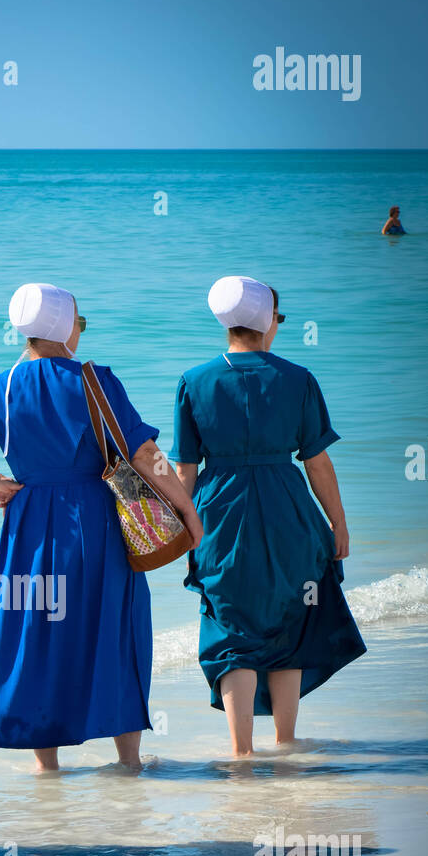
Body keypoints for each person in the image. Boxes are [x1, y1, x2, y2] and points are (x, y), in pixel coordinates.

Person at [0, 282, 202, 773]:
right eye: (79, 321)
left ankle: (46, 767)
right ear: (63, 327)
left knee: (35, 632)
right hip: (98, 521)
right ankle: (128, 761)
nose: (80, 329)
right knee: (113, 629)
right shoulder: (97, 381)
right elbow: (144, 455)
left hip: (30, 524)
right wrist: (186, 508)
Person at [170, 275, 366, 757]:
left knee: (229, 623)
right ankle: (287, 741)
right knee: (291, 617)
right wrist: (338, 523)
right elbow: (316, 461)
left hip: (219, 512)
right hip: (289, 509)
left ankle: (241, 752)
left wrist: (180, 528)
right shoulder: (298, 378)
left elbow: (185, 469)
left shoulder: (195, 381)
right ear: (266, 321)